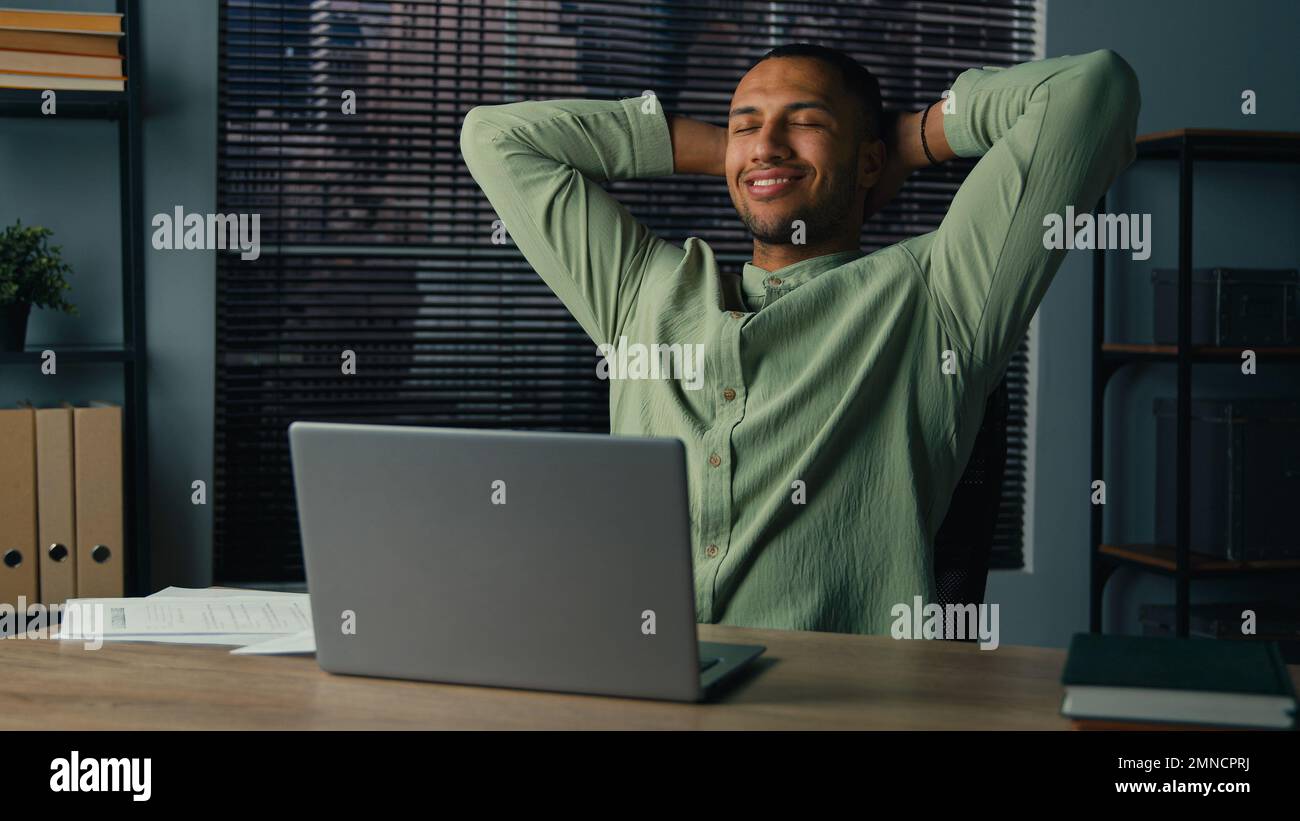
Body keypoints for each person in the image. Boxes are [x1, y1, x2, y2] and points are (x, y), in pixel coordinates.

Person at [460, 43, 1140, 634]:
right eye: (746, 125)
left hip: (836, 702)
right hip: (643, 686)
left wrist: (911, 140)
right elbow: (494, 138)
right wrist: (737, 156)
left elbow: (1091, 90)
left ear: (869, 162)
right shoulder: (641, 291)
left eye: (807, 122)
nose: (767, 142)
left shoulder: (939, 296)